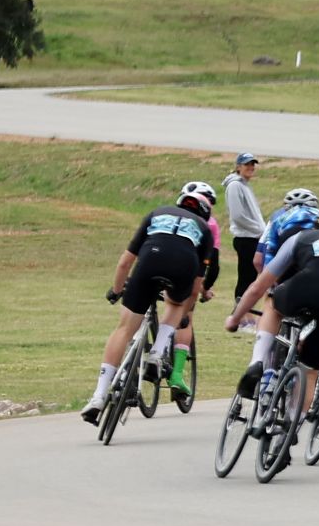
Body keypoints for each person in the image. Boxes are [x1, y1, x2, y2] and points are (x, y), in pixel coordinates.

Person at [83, 181, 220, 425]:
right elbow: (198, 282)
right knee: (176, 305)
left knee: (124, 330)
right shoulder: (205, 229)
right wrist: (186, 309)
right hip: (184, 266)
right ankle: (157, 353)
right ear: (205, 214)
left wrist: (116, 291)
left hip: (149, 260)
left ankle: (98, 395)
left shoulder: (156, 213)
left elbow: (125, 262)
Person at [226, 207, 319, 416]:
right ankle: (291, 428)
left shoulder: (303, 237)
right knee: (310, 372)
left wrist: (235, 319)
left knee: (272, 304)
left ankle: (258, 363)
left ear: (317, 225)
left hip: (305, 285)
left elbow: (258, 287)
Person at [223, 153, 265, 309]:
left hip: (252, 237)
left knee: (251, 277)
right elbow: (238, 216)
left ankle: (243, 313)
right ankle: (240, 314)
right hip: (246, 238)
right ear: (238, 167)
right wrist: (260, 230)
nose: (251, 167)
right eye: (247, 164)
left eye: (252, 164)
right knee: (246, 278)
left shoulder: (244, 185)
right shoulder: (235, 186)